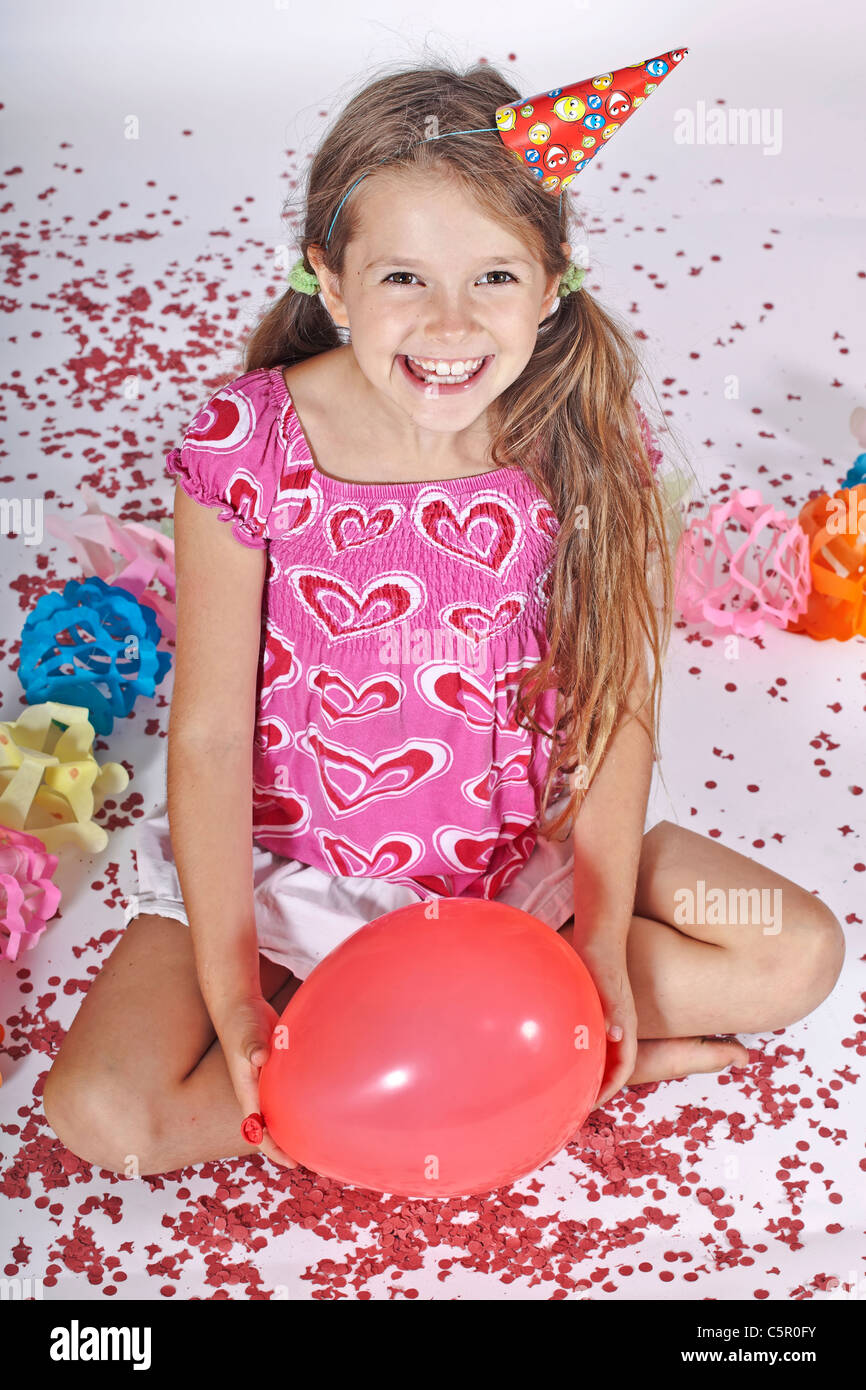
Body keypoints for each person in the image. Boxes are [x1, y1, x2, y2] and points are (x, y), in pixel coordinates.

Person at [42, 59, 845, 1178]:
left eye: (495, 277)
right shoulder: (250, 443)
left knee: (794, 955)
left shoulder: (584, 444)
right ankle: (514, 1061)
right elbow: (215, 733)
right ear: (329, 278)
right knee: (103, 1113)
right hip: (285, 871)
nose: (450, 324)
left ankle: (482, 1045)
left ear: (553, 278)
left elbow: (616, 705)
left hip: (510, 871)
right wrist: (233, 990)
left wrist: (602, 941)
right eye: (405, 276)